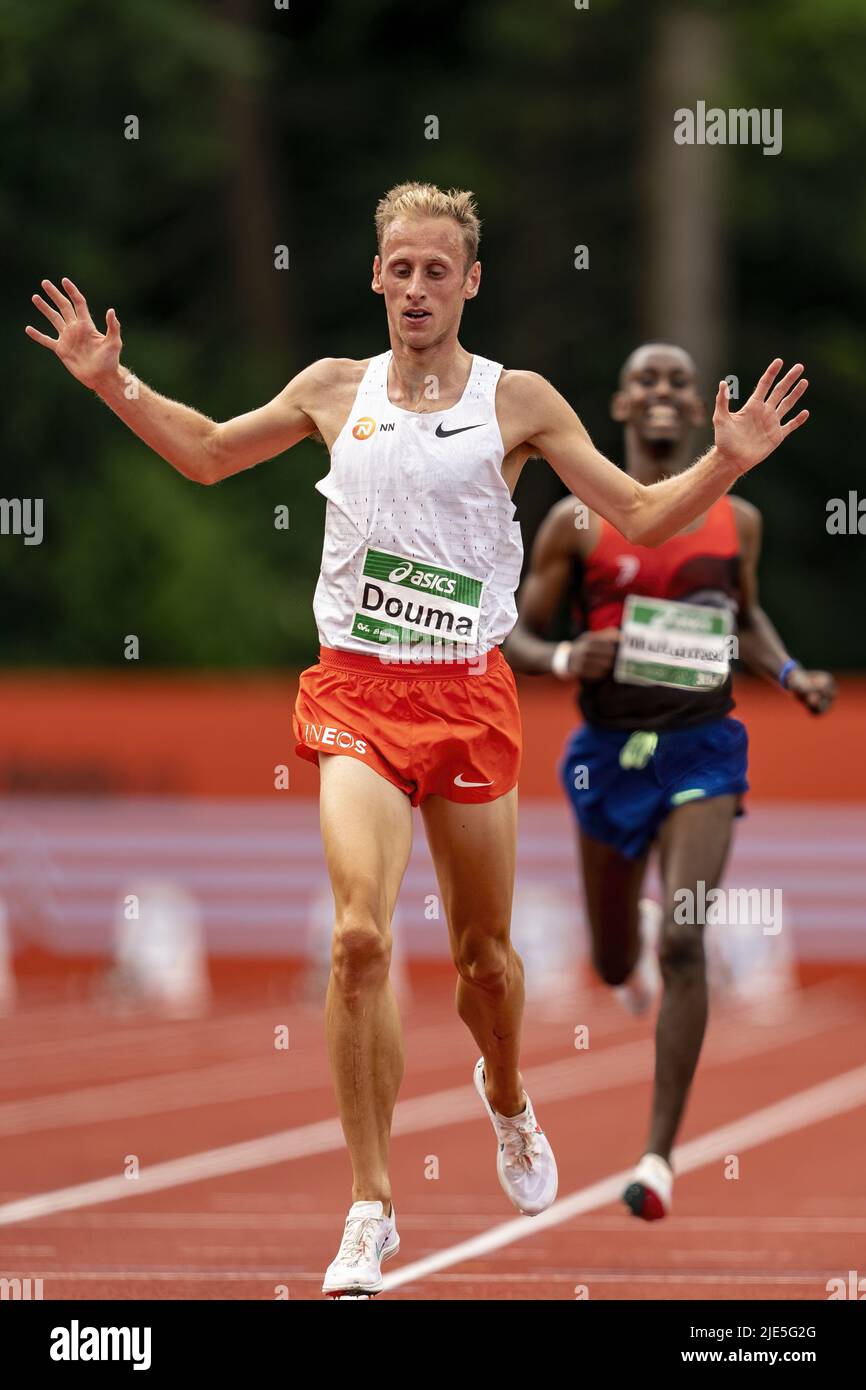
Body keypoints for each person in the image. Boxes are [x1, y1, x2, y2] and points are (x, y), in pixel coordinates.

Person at [27, 185, 810, 1295]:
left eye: (436, 271)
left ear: (469, 282)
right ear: (375, 276)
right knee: (357, 939)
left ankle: (503, 1092)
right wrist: (115, 382)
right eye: (398, 269)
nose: (414, 289)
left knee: (484, 960)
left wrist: (724, 461)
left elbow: (634, 515)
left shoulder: (518, 401)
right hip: (353, 691)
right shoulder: (330, 390)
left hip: (467, 699)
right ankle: (369, 1204)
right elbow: (204, 453)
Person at [504, 342, 834, 1222]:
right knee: (617, 959)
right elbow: (517, 638)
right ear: (618, 402)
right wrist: (574, 651)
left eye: (677, 382)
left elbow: (745, 615)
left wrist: (789, 669)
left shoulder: (741, 520)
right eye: (645, 378)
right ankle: (632, 941)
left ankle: (657, 1156)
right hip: (609, 754)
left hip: (702, 749)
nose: (661, 392)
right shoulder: (574, 521)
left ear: (698, 408)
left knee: (686, 941)